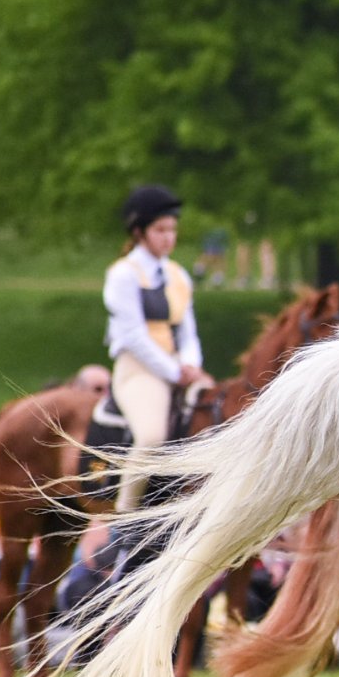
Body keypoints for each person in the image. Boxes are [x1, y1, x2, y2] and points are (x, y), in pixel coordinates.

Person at [104, 184, 213, 511]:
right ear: (139, 232)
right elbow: (135, 336)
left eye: (172, 230)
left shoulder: (178, 274)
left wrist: (191, 365)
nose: (169, 237)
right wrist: (174, 371)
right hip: (139, 370)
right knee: (151, 437)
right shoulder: (124, 275)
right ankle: (125, 517)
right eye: (160, 230)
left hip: (179, 367)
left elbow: (188, 331)